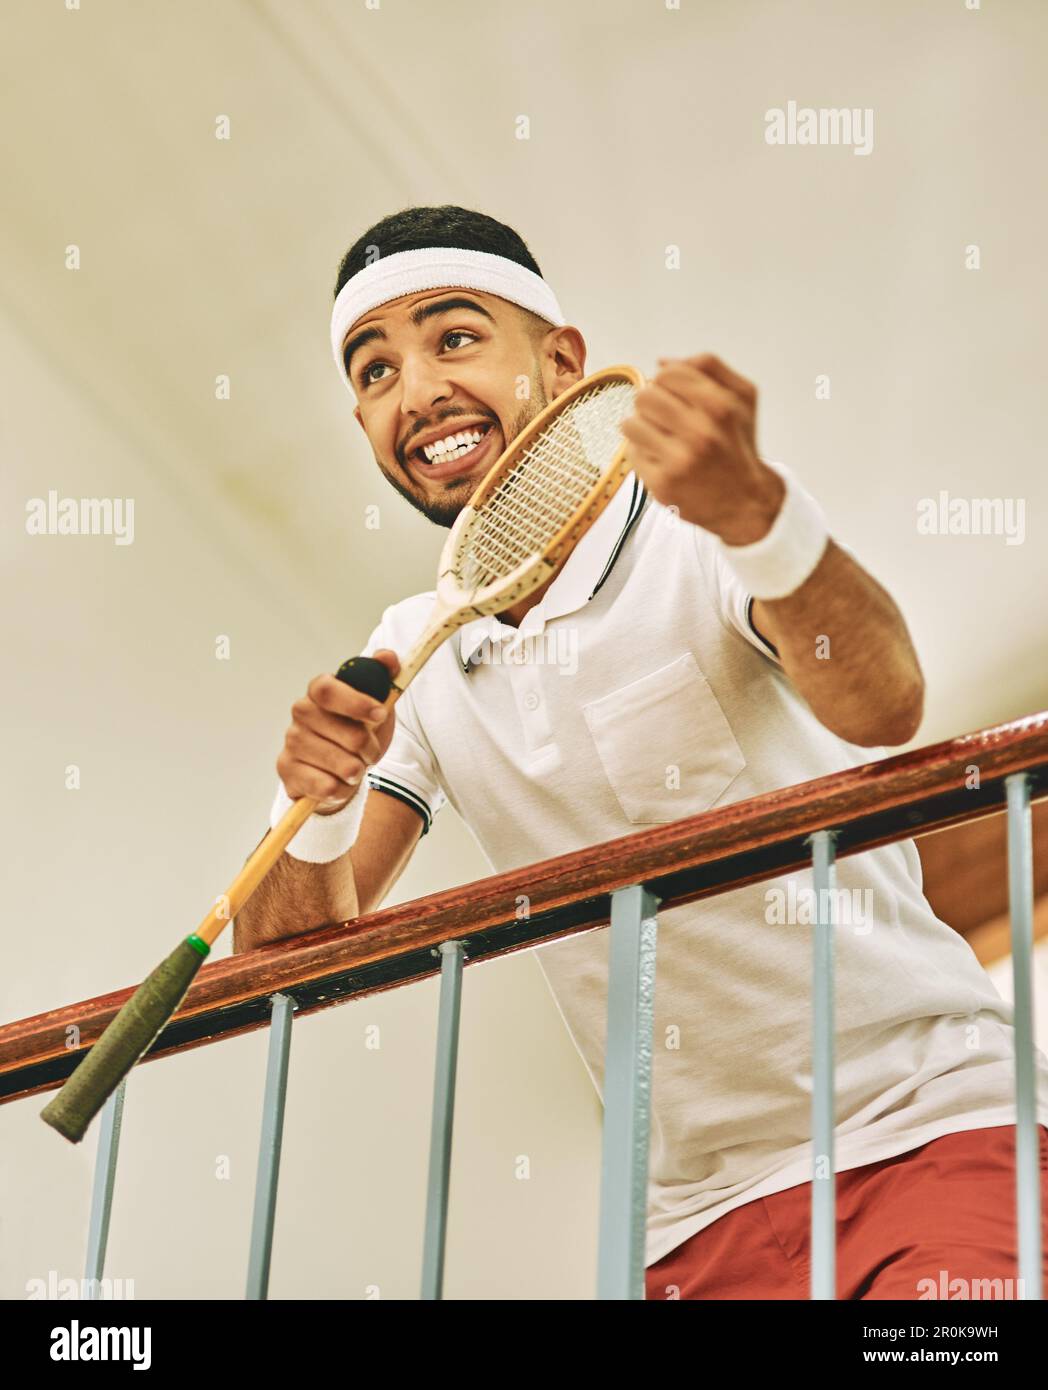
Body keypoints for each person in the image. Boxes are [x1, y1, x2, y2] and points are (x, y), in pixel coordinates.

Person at [234, 204, 1048, 1299]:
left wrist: (760, 513)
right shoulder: (401, 651)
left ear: (561, 361)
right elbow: (279, 958)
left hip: (931, 1125)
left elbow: (885, 703)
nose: (415, 389)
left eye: (453, 337)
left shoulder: (698, 536)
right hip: (687, 1220)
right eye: (373, 371)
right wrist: (320, 802)